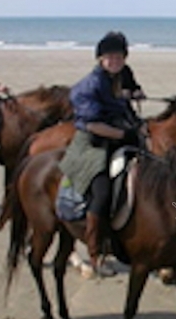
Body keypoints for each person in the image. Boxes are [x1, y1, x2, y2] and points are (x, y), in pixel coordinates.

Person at [57, 31, 143, 277]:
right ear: (100, 58)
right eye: (110, 56)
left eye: (119, 56)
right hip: (92, 144)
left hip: (116, 136)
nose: (115, 60)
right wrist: (123, 135)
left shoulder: (118, 77)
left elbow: (126, 99)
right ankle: (95, 253)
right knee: (102, 190)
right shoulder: (89, 86)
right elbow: (93, 125)